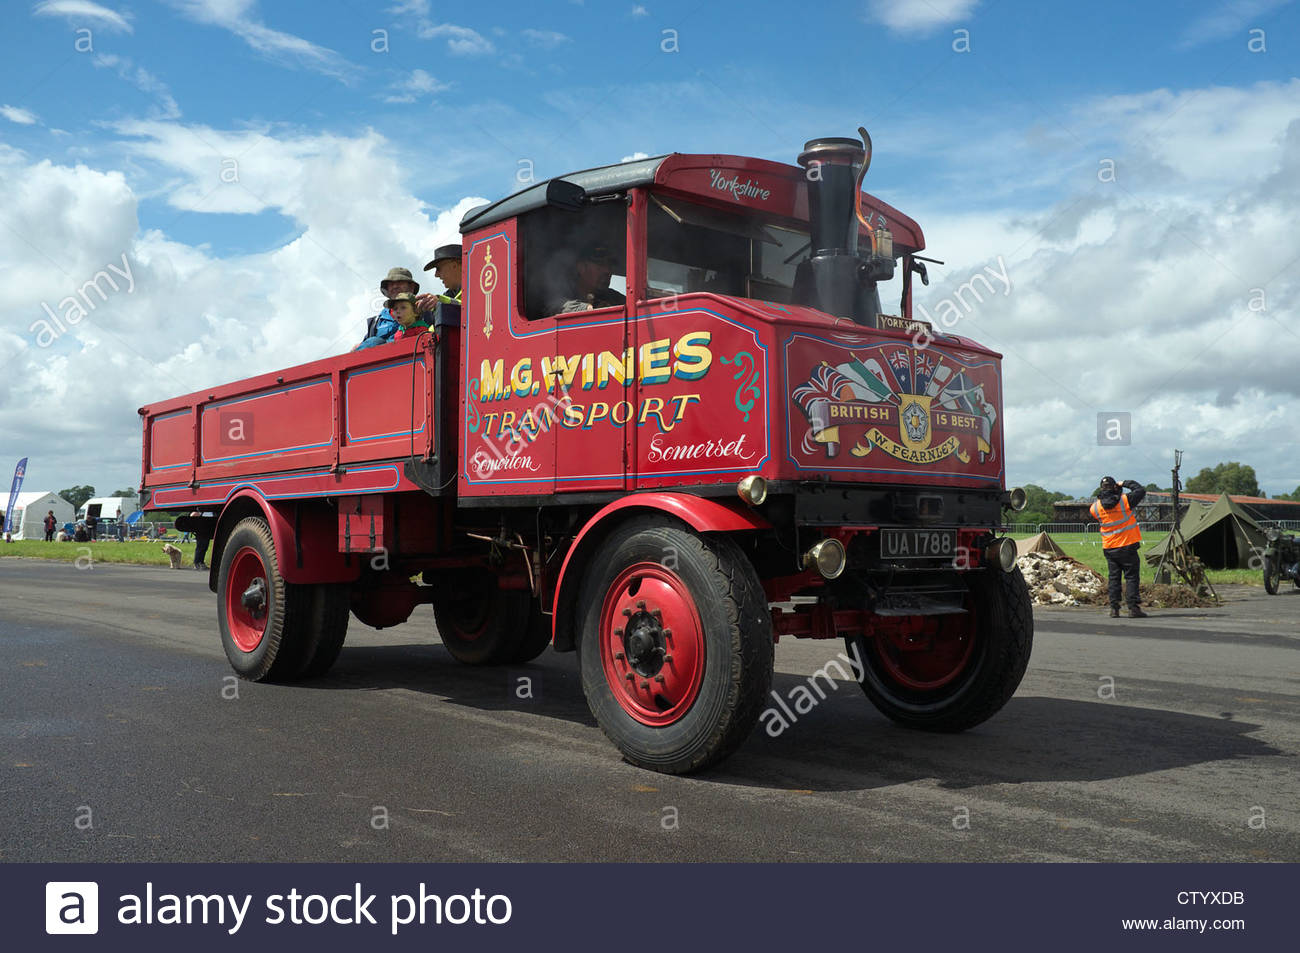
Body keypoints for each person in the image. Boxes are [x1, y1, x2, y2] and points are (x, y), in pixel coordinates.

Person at [1090, 476, 1148, 618]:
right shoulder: (1125, 500)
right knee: (1131, 578)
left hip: (1109, 547)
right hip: (1127, 545)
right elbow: (1140, 490)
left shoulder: (1094, 508)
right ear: (1115, 487)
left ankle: (1114, 609)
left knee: (1114, 578)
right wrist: (1124, 483)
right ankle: (1133, 609)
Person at [355, 267, 438, 350]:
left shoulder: (427, 310)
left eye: (399, 282)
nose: (394, 286)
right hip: (379, 357)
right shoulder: (376, 321)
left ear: (411, 287)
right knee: (373, 341)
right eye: (391, 284)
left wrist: (437, 302)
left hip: (413, 355)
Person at [551, 244, 626, 314]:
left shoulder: (614, 297)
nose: (607, 271)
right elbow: (556, 306)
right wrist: (589, 308)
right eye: (600, 264)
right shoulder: (565, 292)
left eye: (609, 265)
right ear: (581, 267)